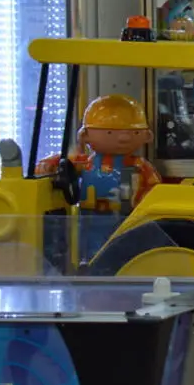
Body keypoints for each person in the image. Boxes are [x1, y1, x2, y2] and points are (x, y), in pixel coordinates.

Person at [36, 94, 161, 261]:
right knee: (90, 250)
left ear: (146, 135)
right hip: (89, 218)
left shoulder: (139, 166)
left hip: (127, 218)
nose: (123, 138)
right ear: (85, 136)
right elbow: (63, 161)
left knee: (123, 251)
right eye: (110, 132)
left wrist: (145, 203)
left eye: (133, 132)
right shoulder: (86, 162)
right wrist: (49, 164)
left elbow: (155, 189)